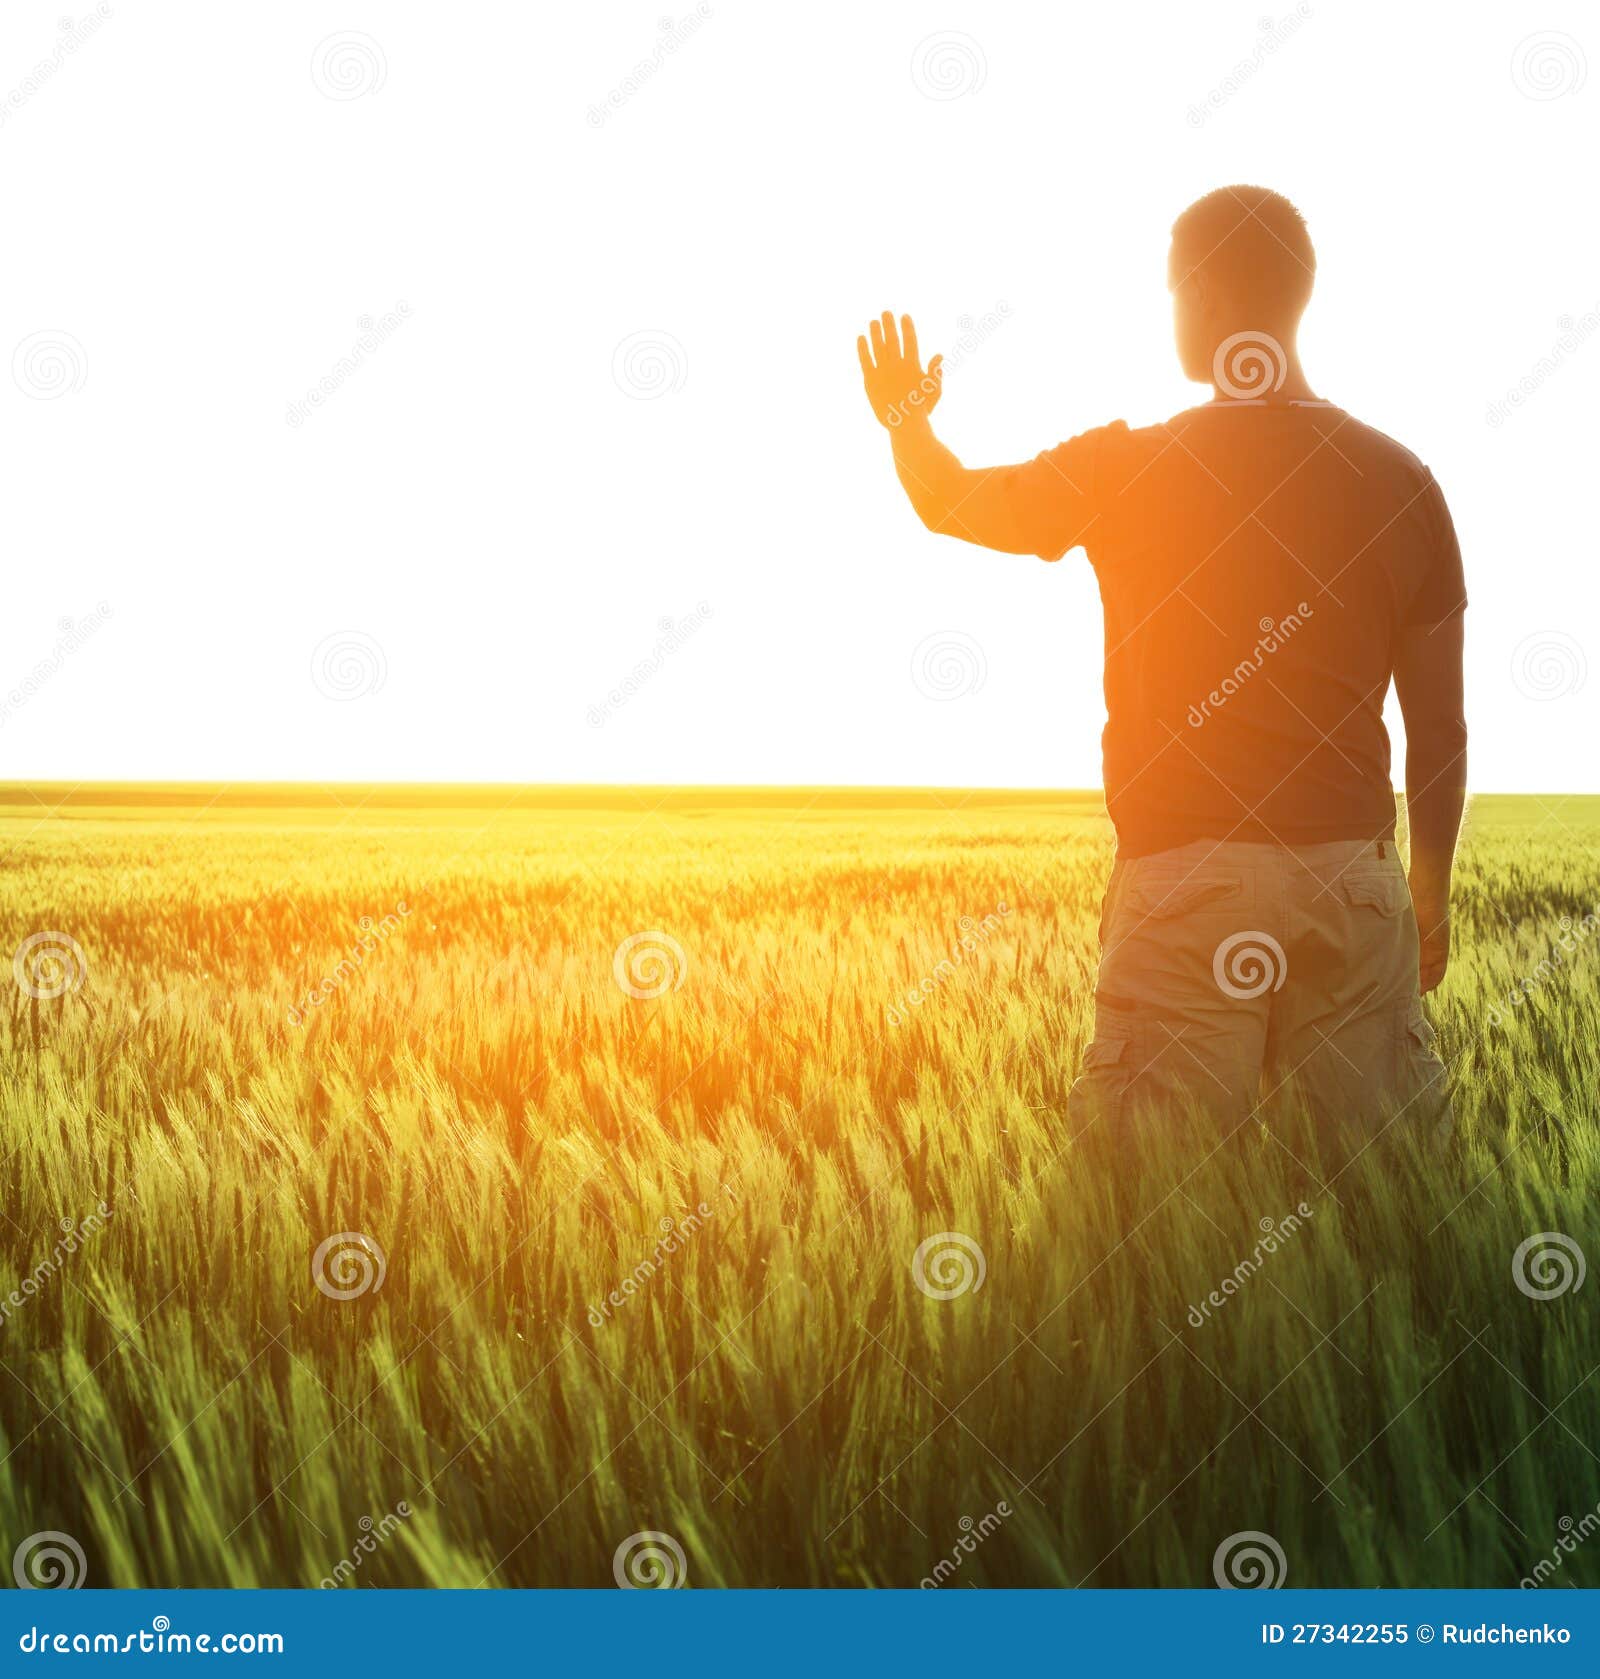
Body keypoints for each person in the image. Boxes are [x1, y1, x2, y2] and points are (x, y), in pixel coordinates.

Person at [856, 186, 1466, 1150]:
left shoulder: (1126, 467)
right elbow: (1439, 728)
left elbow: (956, 505)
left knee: (1147, 1228)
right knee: (1377, 1203)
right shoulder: (1401, 478)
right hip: (1352, 881)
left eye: (1174, 291)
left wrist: (907, 427)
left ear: (1209, 296)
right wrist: (1423, 894)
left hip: (1185, 882)